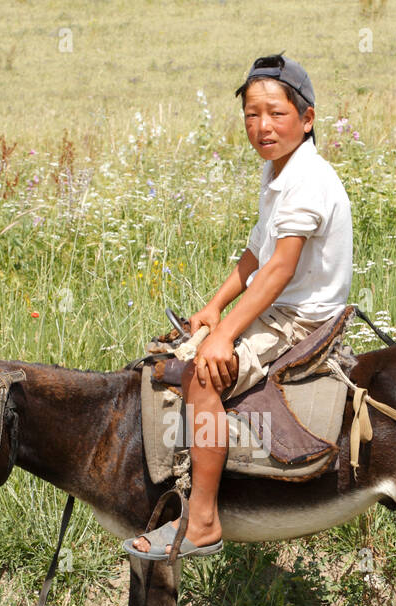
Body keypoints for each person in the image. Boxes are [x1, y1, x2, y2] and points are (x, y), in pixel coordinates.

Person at [124, 53, 353, 560]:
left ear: (307, 118)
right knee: (183, 348)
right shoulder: (278, 171)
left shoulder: (308, 180)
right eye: (252, 114)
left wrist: (224, 335)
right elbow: (256, 254)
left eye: (276, 113)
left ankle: (202, 518)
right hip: (278, 306)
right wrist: (213, 308)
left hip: (299, 319)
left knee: (204, 374)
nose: (262, 126)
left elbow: (279, 270)